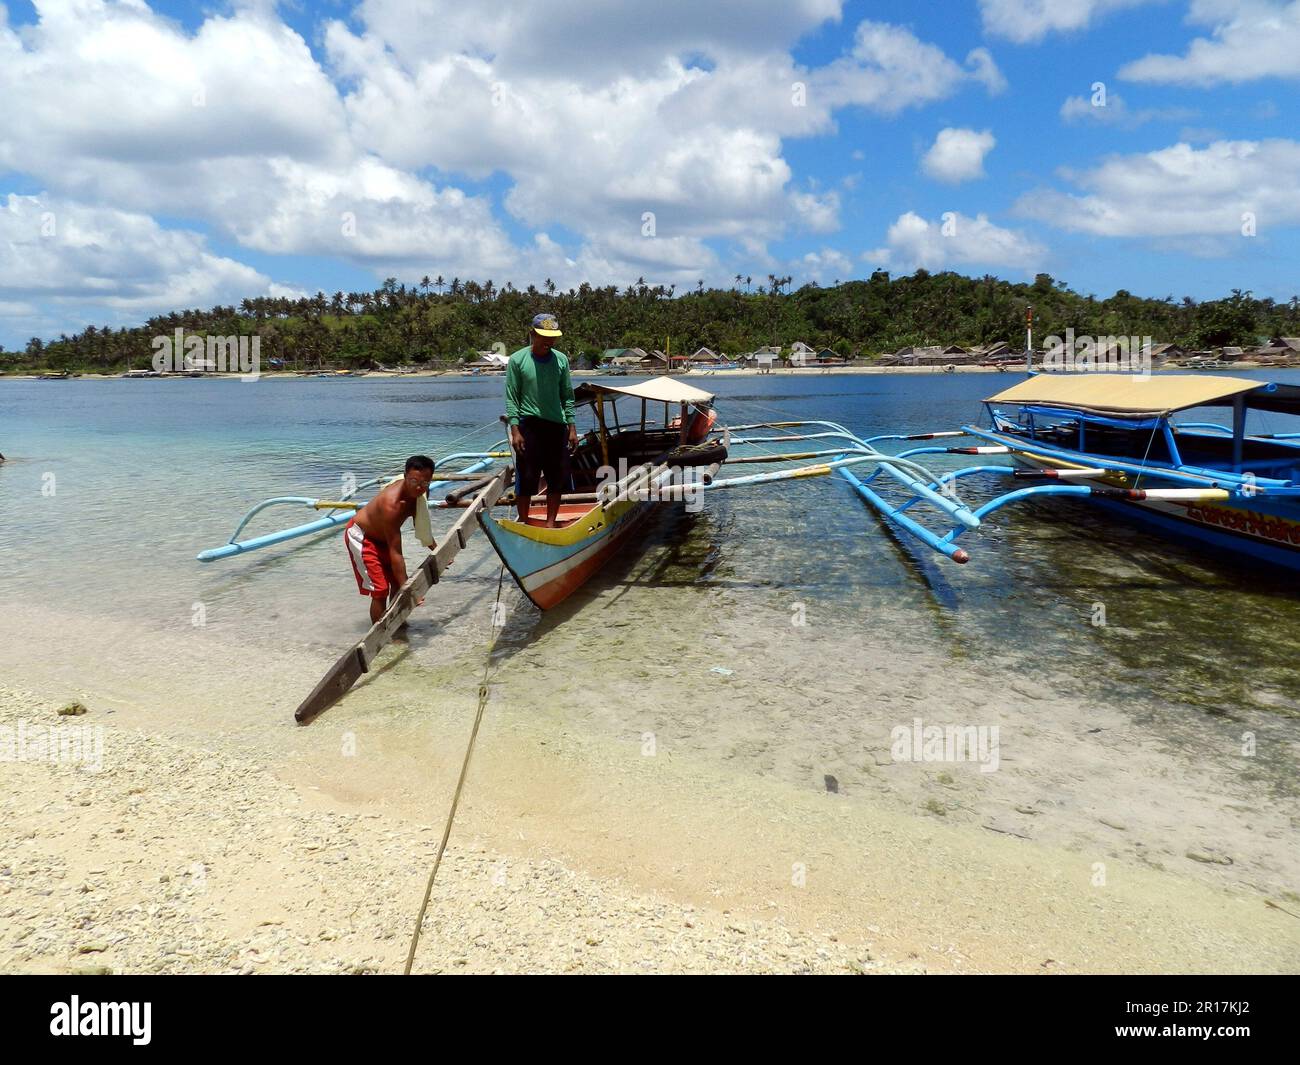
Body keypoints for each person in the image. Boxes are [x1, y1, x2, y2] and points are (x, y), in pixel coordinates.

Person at [505, 313, 577, 527]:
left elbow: (567, 396)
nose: (549, 341)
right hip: (529, 426)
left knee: (556, 479)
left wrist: (572, 427)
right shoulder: (518, 360)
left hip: (557, 426)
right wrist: (515, 430)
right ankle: (525, 522)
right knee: (526, 479)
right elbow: (512, 397)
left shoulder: (561, 360)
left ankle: (550, 522)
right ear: (532, 334)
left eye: (553, 337)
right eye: (544, 336)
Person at [344, 455, 435, 623]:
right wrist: (409, 589)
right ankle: (380, 634)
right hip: (362, 537)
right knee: (381, 589)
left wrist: (436, 549)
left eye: (425, 483)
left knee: (396, 579)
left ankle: (397, 624)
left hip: (383, 537)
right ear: (405, 476)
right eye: (414, 481)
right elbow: (396, 552)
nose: (419, 488)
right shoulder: (391, 504)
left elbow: (420, 521)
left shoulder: (422, 490)